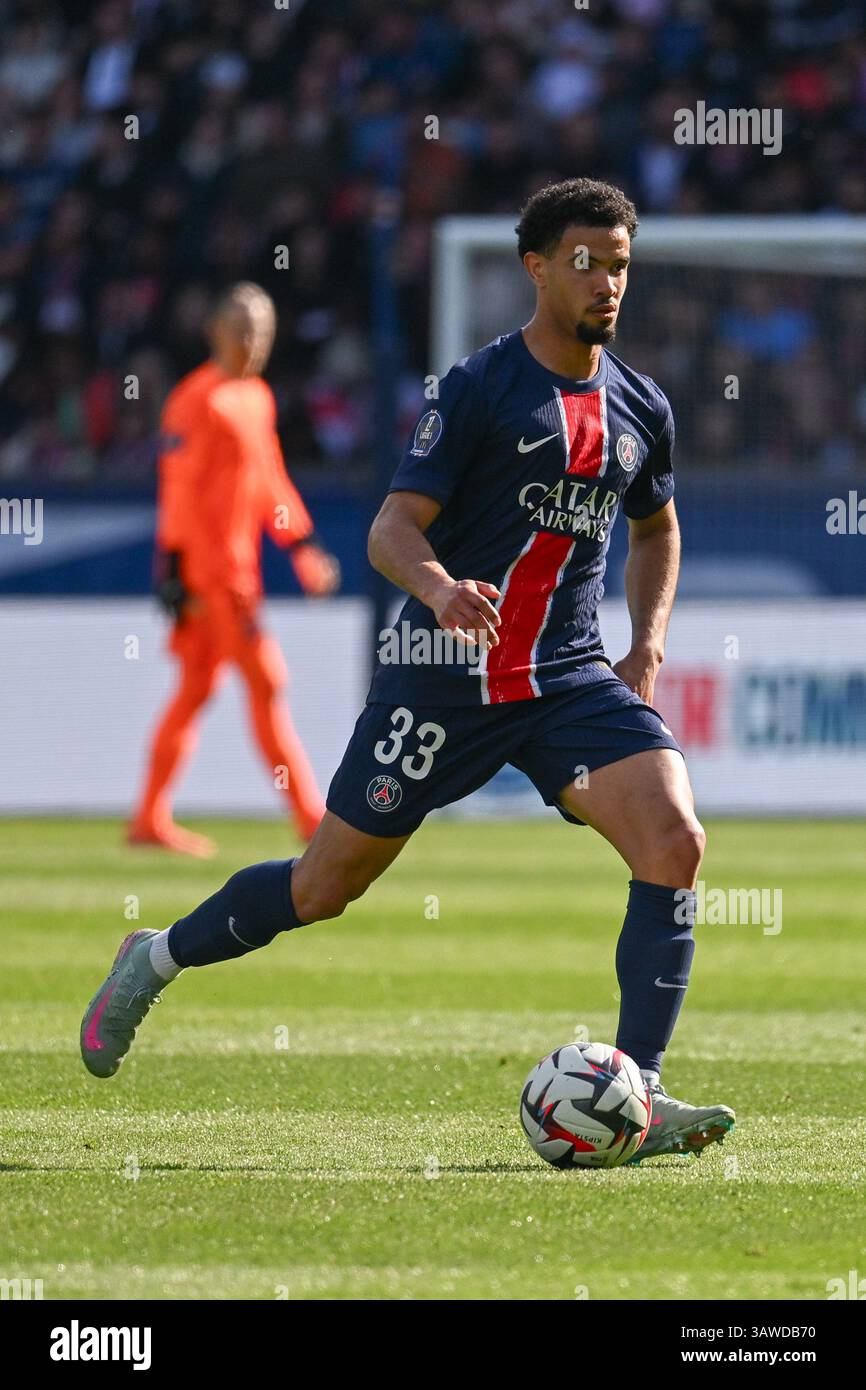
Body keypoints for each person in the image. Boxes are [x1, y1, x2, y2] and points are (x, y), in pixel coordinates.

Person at [82, 181, 734, 1164]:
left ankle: (632, 1091)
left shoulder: (640, 406)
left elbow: (657, 528)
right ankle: (156, 955)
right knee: (323, 884)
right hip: (442, 674)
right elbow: (392, 528)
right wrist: (436, 592)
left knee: (673, 839)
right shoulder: (476, 389)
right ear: (537, 268)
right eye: (585, 261)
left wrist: (645, 640)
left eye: (620, 264)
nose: (606, 282)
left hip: (565, 676)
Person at [127, 283, 340, 857]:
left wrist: (302, 546)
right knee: (268, 683)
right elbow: (178, 491)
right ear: (215, 332)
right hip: (211, 577)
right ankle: (310, 818)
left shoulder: (256, 397)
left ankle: (148, 818)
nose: (254, 342)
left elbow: (271, 480)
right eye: (243, 330)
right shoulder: (196, 400)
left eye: (263, 331)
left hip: (233, 572)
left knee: (195, 690)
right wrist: (172, 571)